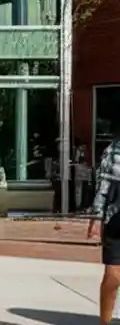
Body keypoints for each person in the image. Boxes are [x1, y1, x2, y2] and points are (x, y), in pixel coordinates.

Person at [87, 138, 120, 325]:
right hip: (116, 218)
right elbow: (103, 185)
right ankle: (104, 322)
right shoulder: (114, 149)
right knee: (113, 277)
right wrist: (96, 217)